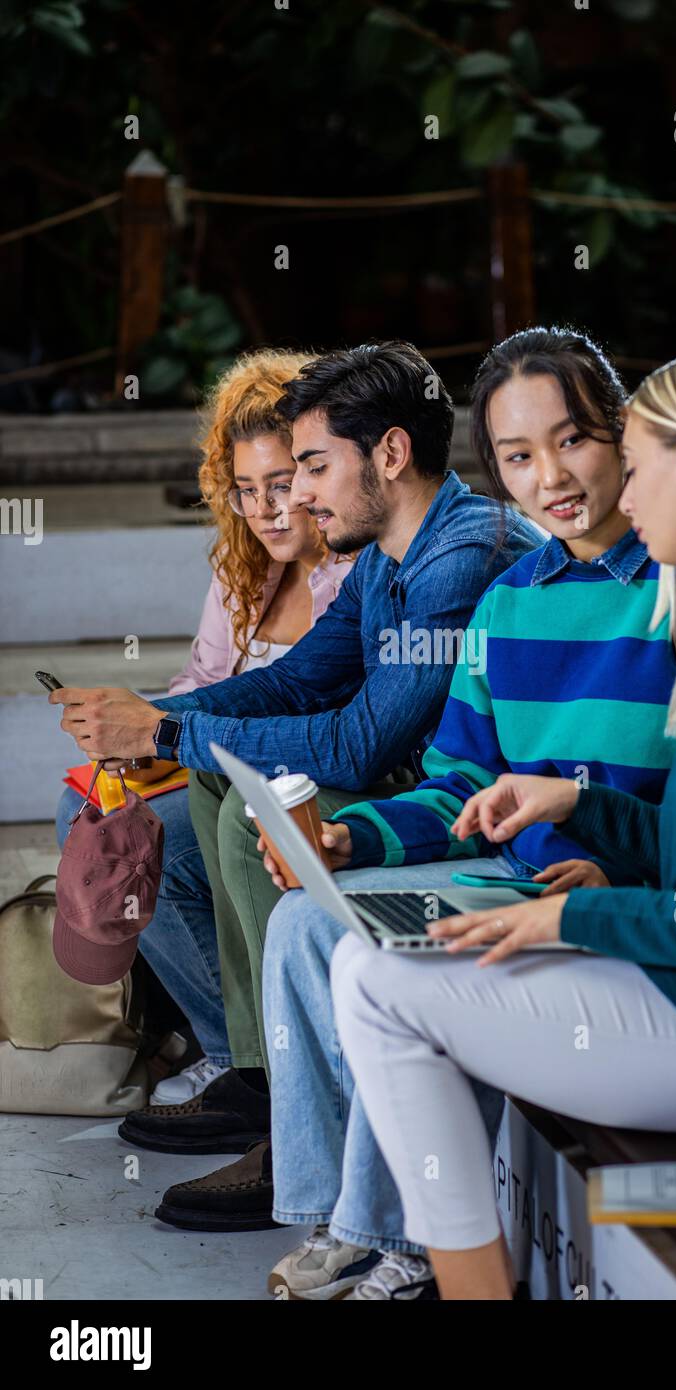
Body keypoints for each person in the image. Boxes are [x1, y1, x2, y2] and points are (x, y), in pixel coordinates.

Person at [331, 341, 676, 1300]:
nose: (624, 478)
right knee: (371, 965)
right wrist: (582, 805)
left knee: (378, 986)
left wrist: (569, 920)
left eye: (634, 448)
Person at [50, 340, 541, 1223]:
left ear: (388, 455)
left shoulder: (459, 556)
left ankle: (298, 1123)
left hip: (473, 816)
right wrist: (148, 719)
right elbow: (297, 677)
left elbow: (358, 743)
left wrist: (166, 730)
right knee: (215, 781)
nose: (301, 497)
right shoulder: (394, 546)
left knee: (249, 808)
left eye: (313, 466)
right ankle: (262, 1080)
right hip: (418, 789)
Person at [259, 327, 676, 1299]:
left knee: (389, 958)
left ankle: (402, 1241)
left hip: (612, 889)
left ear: (621, 435)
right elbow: (456, 780)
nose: (550, 478)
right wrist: (346, 837)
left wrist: (608, 856)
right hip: (506, 867)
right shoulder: (508, 600)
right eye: (518, 457)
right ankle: (338, 1219)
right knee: (303, 920)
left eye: (570, 441)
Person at [55, 348, 351, 1104]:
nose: (266, 510)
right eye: (247, 489)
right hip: (214, 761)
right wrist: (128, 744)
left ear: (323, 471)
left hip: (306, 775)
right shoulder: (242, 566)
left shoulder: (354, 573)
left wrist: (162, 736)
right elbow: (199, 687)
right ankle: (211, 1029)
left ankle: (245, 1060)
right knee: (88, 807)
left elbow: (328, 718)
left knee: (156, 835)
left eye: (283, 485)